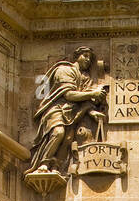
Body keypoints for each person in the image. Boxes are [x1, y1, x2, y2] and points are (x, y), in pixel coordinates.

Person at [29, 47, 108, 175]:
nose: (88, 60)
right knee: (58, 132)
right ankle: (44, 162)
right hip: (57, 109)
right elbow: (69, 95)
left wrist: (92, 112)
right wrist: (93, 93)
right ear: (76, 56)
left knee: (68, 139)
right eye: (85, 56)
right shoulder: (65, 70)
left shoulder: (84, 77)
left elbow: (83, 100)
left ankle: (56, 166)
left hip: (73, 113)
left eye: (90, 58)